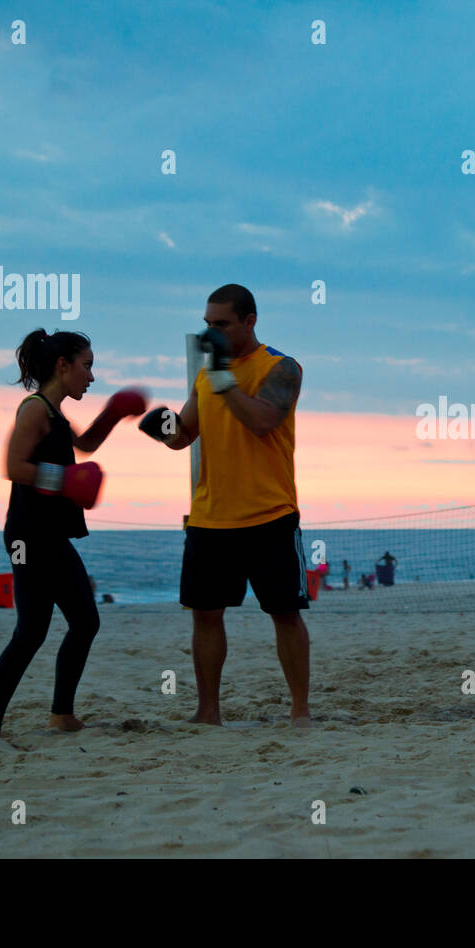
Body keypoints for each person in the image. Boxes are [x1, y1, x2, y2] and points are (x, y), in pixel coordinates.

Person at [139, 284, 311, 727]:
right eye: (207, 324)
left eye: (222, 324)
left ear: (250, 321)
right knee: (205, 615)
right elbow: (183, 436)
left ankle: (299, 711)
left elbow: (262, 420)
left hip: (270, 513)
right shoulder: (207, 375)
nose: (211, 331)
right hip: (210, 517)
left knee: (284, 613)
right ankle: (207, 712)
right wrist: (160, 426)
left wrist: (223, 380)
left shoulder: (281, 366)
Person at [0, 329, 147, 736]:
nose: (91, 376)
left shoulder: (55, 413)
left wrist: (113, 413)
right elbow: (13, 467)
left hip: (46, 532)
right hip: (29, 535)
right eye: (87, 366)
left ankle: (54, 716)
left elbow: (85, 444)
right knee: (46, 629)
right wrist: (65, 480)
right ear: (63, 365)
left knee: (65, 625)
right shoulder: (34, 410)